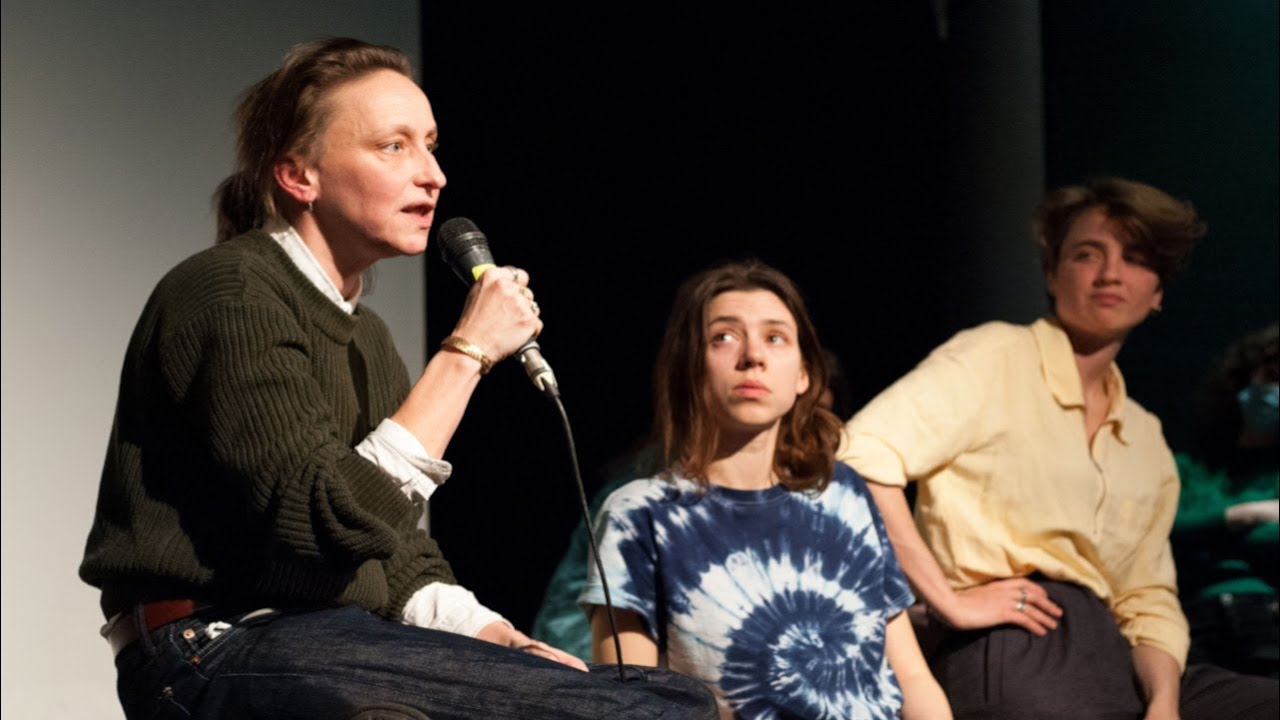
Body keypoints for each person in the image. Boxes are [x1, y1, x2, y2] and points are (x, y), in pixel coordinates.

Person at [77, 37, 716, 720]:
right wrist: (467, 352)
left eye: (432, 145)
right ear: (300, 176)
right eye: (394, 147)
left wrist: (490, 635)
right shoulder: (232, 291)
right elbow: (323, 527)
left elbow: (395, 549)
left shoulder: (369, 337)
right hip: (211, 647)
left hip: (323, 636)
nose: (433, 174)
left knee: (673, 696)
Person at [840, 176, 1279, 718]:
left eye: (1135, 258)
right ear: (1052, 272)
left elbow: (1147, 598)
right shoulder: (995, 355)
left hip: (1119, 656)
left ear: (1158, 291)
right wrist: (945, 600)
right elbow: (859, 458)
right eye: (1087, 254)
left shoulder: (1143, 436)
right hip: (1023, 634)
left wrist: (1164, 704)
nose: (1111, 273)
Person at [579, 260, 952, 719]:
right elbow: (629, 706)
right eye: (724, 337)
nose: (753, 356)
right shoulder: (640, 513)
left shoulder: (842, 491)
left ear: (803, 375)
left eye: (775, 338)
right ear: (688, 368)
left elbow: (911, 675)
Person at [1173, 324, 1278, 678]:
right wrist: (1249, 514)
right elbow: (1164, 529)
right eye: (1273, 375)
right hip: (1188, 618)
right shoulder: (1189, 467)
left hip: (1268, 620)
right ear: (1243, 379)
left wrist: (1210, 526)